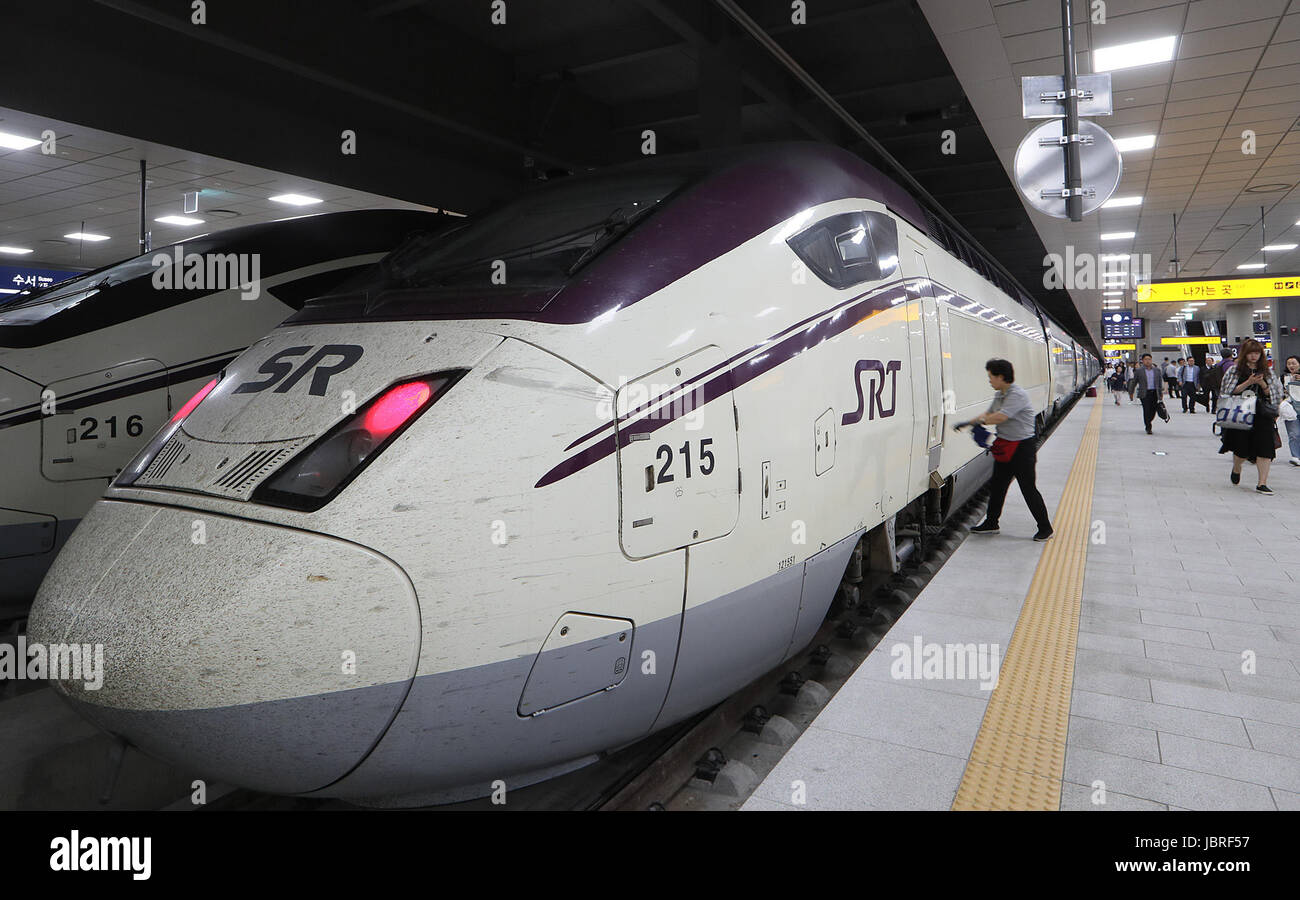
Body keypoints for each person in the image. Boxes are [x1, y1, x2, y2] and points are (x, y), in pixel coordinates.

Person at [957, 358, 1053, 541]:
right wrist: (968, 423)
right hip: (1005, 447)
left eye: (991, 377)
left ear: (1001, 377)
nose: (989, 381)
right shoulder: (1000, 394)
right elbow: (988, 414)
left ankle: (1045, 527)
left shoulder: (1017, 395)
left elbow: (1001, 417)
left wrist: (979, 422)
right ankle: (991, 523)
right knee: (997, 486)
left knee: (1028, 489)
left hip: (1022, 449)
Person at [1219, 338, 1284, 495]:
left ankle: (1262, 483)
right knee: (1241, 449)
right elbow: (1226, 392)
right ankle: (1237, 467)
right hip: (1241, 412)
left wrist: (1262, 384)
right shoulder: (1234, 370)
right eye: (1250, 353)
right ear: (1245, 354)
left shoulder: (1267, 372)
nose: (1254, 356)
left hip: (1262, 414)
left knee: (1265, 448)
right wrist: (1248, 382)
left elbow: (1274, 394)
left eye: (1257, 353)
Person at [1133, 353, 1164, 435]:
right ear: (1143, 361)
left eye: (1149, 359)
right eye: (1146, 359)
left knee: (1153, 410)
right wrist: (1131, 392)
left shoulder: (1157, 370)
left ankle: (1148, 420)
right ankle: (1148, 427)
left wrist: (1160, 393)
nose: (1148, 361)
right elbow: (1134, 382)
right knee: (1146, 409)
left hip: (1154, 393)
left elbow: (1159, 383)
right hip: (1144, 394)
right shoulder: (1139, 371)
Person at [1282, 355, 1300, 467]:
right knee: (1294, 434)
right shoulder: (1283, 377)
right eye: (1289, 364)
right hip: (1290, 408)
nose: (1291, 366)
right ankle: (1296, 456)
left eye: (1294, 363)